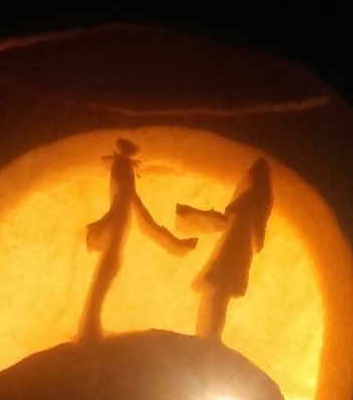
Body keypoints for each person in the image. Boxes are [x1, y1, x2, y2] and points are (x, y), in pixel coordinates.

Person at [80, 138, 197, 339]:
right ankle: (90, 321)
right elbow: (123, 198)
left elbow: (131, 200)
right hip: (118, 221)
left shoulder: (122, 167)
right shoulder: (121, 168)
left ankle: (91, 319)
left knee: (111, 264)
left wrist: (170, 240)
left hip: (120, 219)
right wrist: (102, 223)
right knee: (110, 265)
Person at [176, 157, 272, 339]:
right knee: (220, 295)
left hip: (230, 252)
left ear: (250, 178)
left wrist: (195, 216)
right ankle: (210, 335)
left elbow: (228, 221)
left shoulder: (246, 199)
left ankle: (207, 335)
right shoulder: (260, 205)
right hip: (240, 256)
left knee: (214, 293)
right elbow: (258, 242)